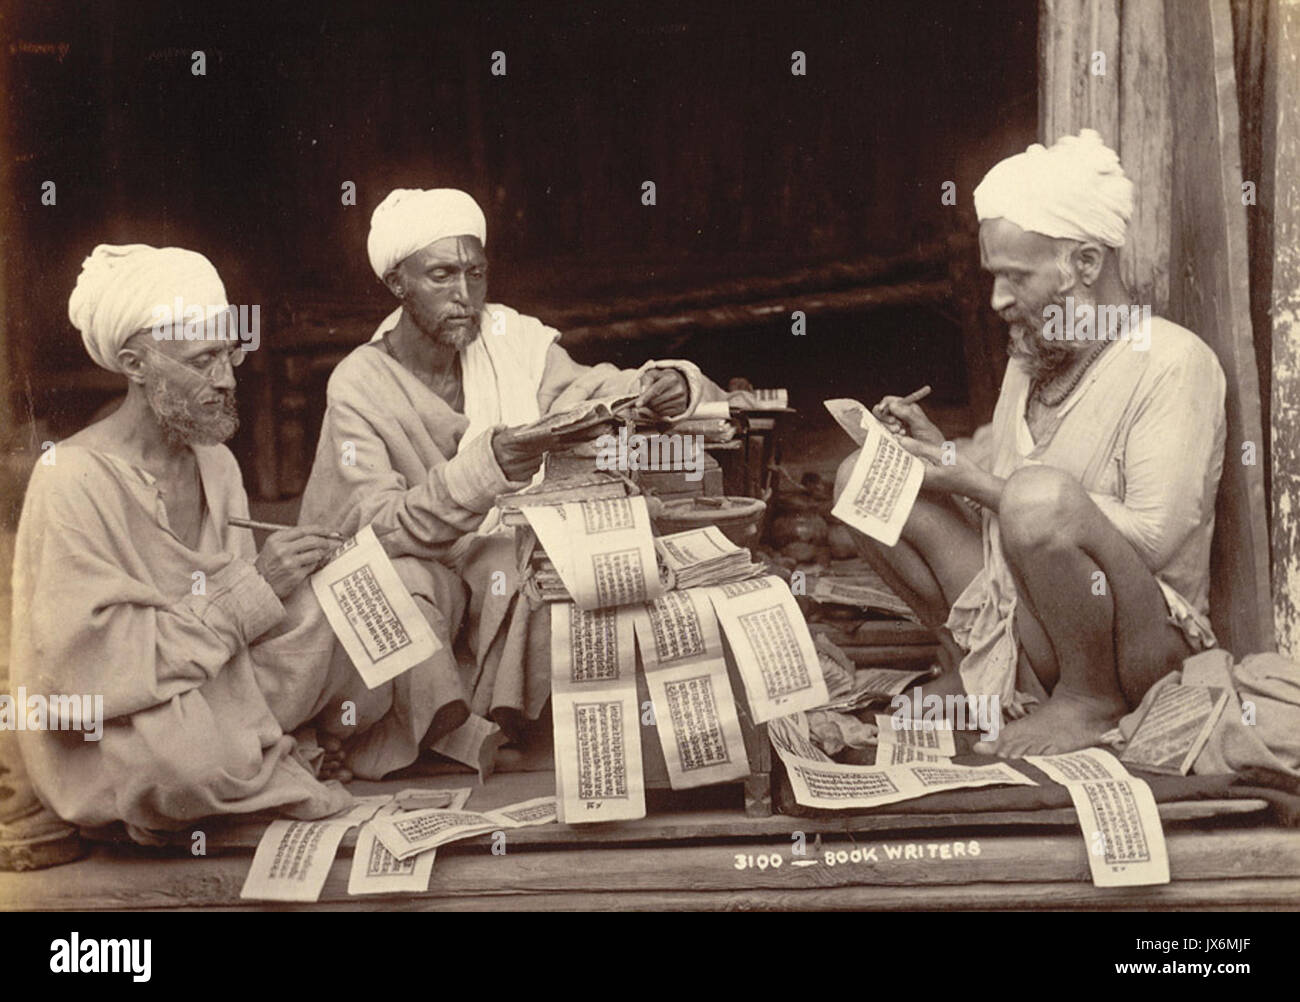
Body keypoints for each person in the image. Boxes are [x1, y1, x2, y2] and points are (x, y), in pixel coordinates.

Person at [7, 244, 452, 844]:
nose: (225, 380)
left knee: (383, 591)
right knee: (186, 765)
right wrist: (254, 588)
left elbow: (244, 637)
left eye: (229, 354)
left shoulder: (215, 463)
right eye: (202, 360)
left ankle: (265, 752)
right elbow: (81, 672)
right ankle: (276, 753)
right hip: (122, 720)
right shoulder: (73, 477)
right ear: (136, 365)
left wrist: (305, 572)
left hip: (213, 682)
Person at [298, 187, 726, 759]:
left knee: (553, 562)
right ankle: (444, 728)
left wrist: (665, 384)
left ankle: (521, 717)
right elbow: (376, 529)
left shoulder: (505, 336)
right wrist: (487, 470)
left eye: (476, 274)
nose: (465, 296)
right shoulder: (358, 383)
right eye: (442, 276)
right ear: (397, 284)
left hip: (494, 553)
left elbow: (585, 388)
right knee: (414, 583)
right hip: (407, 565)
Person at [837, 130, 1226, 756]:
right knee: (864, 477)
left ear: (1086, 265)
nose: (997, 299)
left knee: (1037, 501)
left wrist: (976, 481)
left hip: (1141, 646)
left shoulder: (1174, 362)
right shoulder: (1036, 355)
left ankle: (1088, 701)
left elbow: (1156, 536)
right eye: (995, 276)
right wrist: (940, 452)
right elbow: (1004, 472)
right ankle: (976, 674)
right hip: (1027, 619)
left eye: (1015, 277)